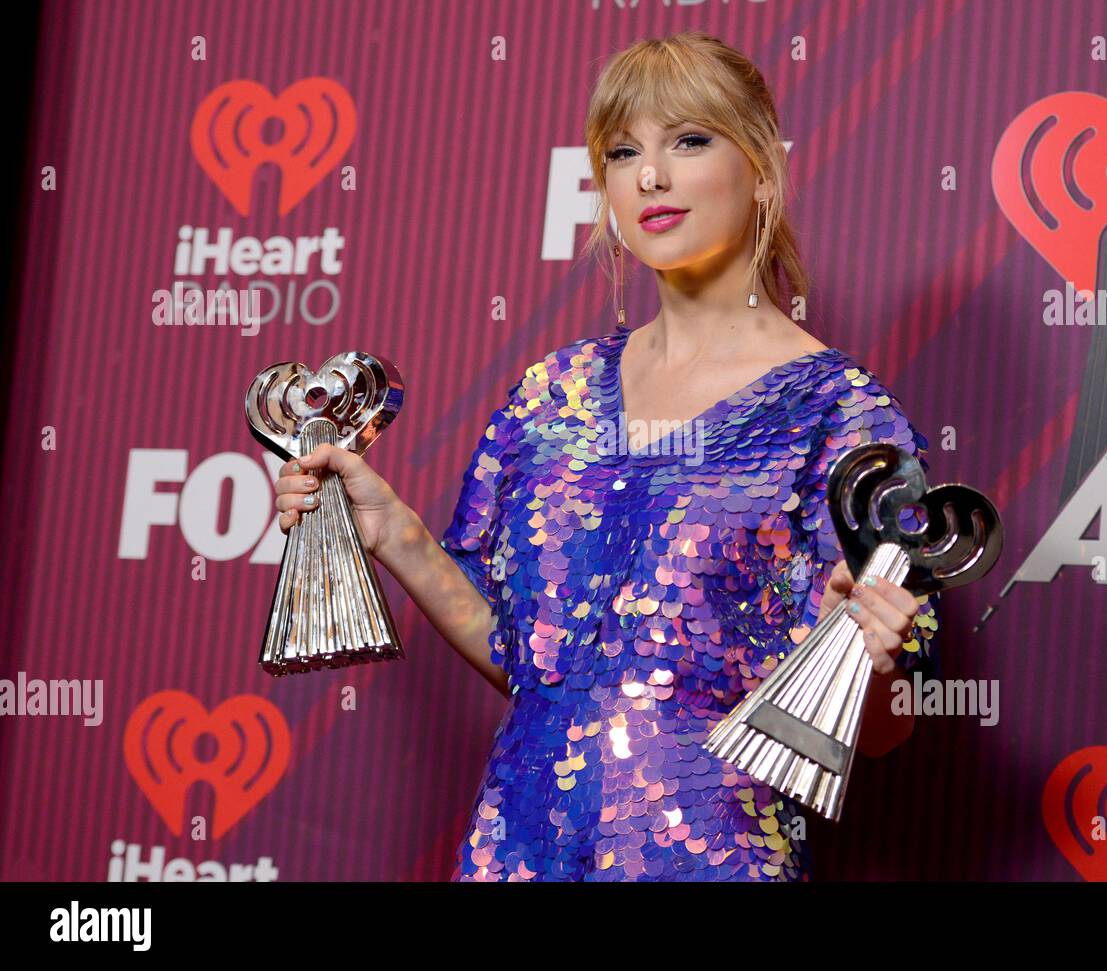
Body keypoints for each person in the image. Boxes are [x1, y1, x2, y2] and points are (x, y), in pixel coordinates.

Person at [273, 31, 939, 881]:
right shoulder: (554, 393)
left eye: (688, 141)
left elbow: (880, 730)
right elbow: (530, 658)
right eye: (623, 152)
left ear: (763, 167)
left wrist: (869, 655)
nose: (650, 176)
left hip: (712, 856)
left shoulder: (842, 415)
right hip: (520, 847)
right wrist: (392, 531)